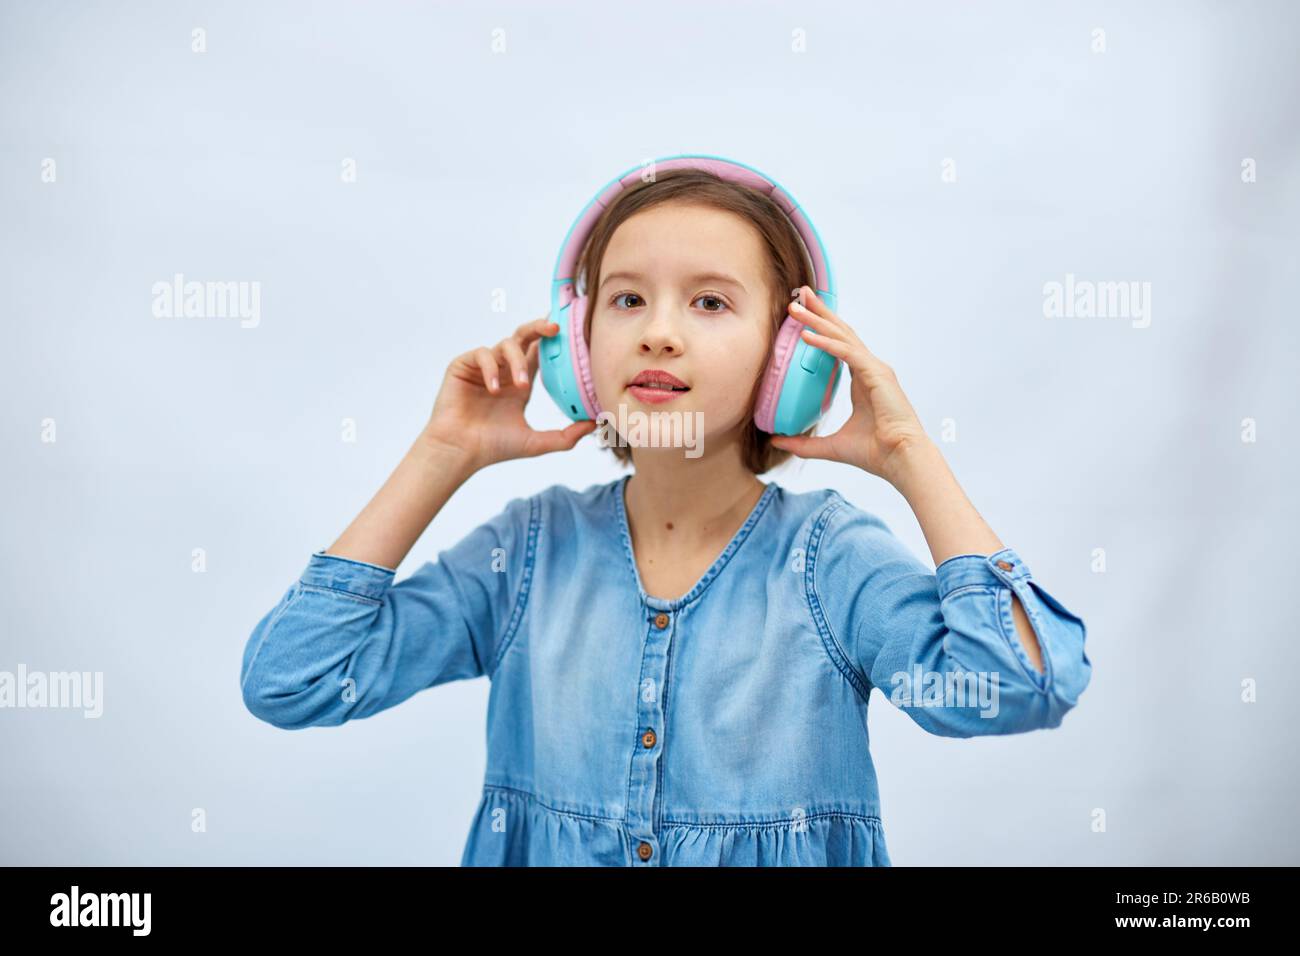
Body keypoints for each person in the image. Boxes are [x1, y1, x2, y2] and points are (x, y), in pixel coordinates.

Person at [239, 167, 1091, 866]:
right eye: (627, 300)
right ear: (577, 351)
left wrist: (909, 454)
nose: (659, 334)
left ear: (787, 360)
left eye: (711, 303)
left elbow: (1019, 688)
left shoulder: (833, 562)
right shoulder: (526, 554)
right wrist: (442, 456)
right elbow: (294, 681)